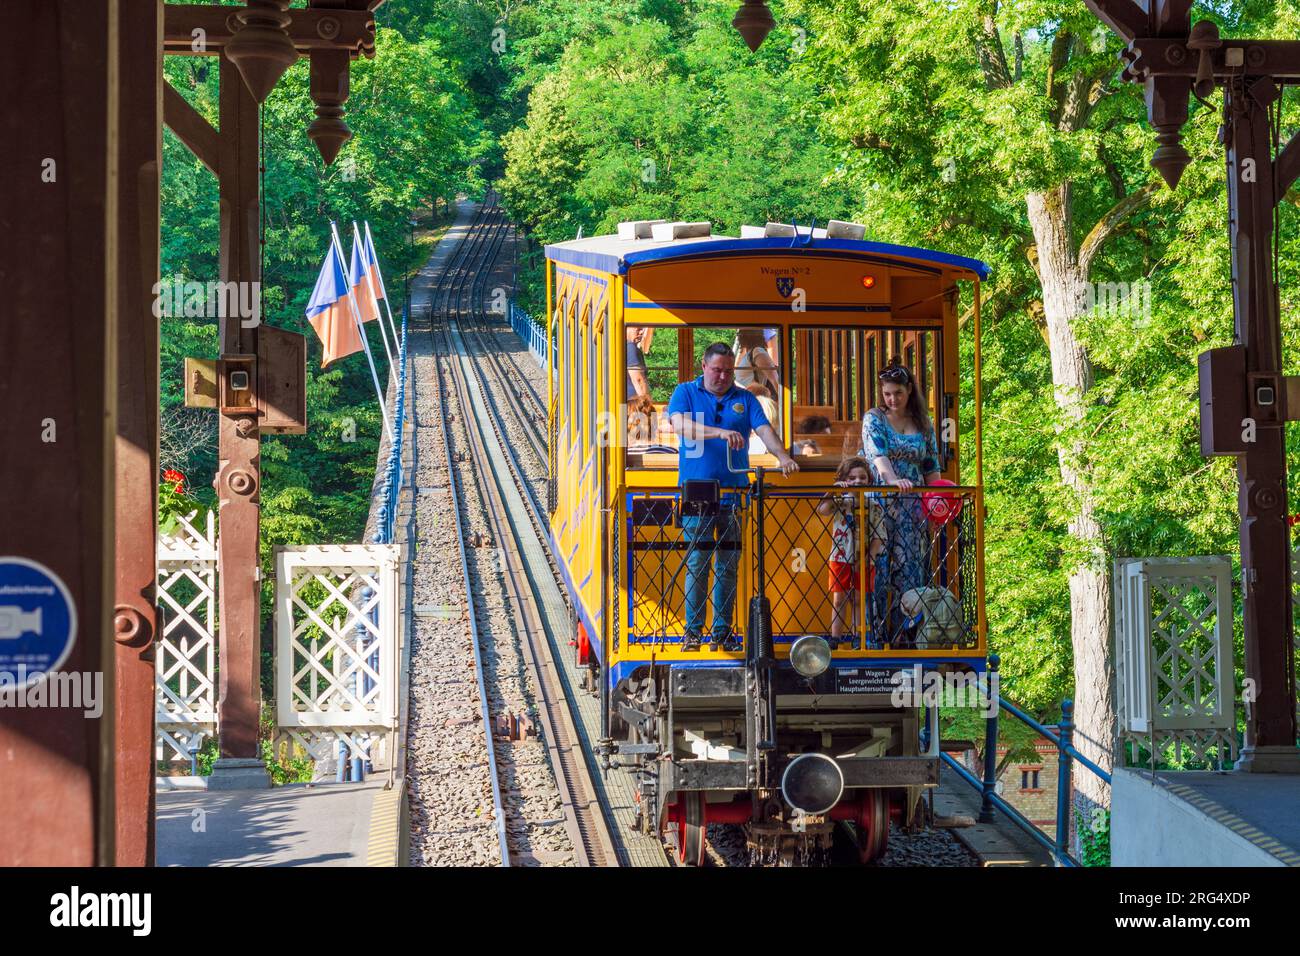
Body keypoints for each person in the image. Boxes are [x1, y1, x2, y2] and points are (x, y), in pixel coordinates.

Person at [668, 342, 798, 651]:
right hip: (697, 493)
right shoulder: (685, 393)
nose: (723, 376)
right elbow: (679, 425)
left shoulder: (745, 399)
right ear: (703, 365)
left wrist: (782, 456)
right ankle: (693, 632)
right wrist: (720, 433)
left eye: (728, 370)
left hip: (733, 494)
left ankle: (723, 632)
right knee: (697, 561)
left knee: (728, 564)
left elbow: (764, 428)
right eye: (717, 370)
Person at [861, 360, 941, 643]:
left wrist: (939, 500)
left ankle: (909, 633)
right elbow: (877, 455)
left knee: (912, 568)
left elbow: (931, 466)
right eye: (887, 394)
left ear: (909, 390)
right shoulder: (874, 418)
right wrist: (892, 479)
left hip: (913, 508)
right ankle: (877, 636)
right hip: (882, 503)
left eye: (897, 393)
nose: (892, 399)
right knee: (879, 568)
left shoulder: (923, 422)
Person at [815, 456, 884, 649]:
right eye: (852, 478)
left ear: (869, 480)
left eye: (862, 477)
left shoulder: (874, 506)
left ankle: (858, 637)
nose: (857, 481)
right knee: (839, 599)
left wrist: (869, 558)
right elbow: (823, 509)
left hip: (864, 559)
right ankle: (835, 638)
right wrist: (834, 489)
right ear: (845, 479)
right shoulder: (840, 500)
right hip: (840, 557)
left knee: (858, 599)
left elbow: (879, 536)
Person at [734, 328, 779, 394]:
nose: (738, 336)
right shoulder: (748, 353)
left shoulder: (758, 352)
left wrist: (782, 402)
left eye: (741, 333)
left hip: (752, 401)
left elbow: (775, 380)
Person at [626, 326, 653, 399]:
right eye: (638, 329)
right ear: (627, 328)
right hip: (635, 404)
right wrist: (646, 402)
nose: (641, 332)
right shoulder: (630, 347)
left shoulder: (622, 347)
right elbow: (638, 379)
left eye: (642, 329)